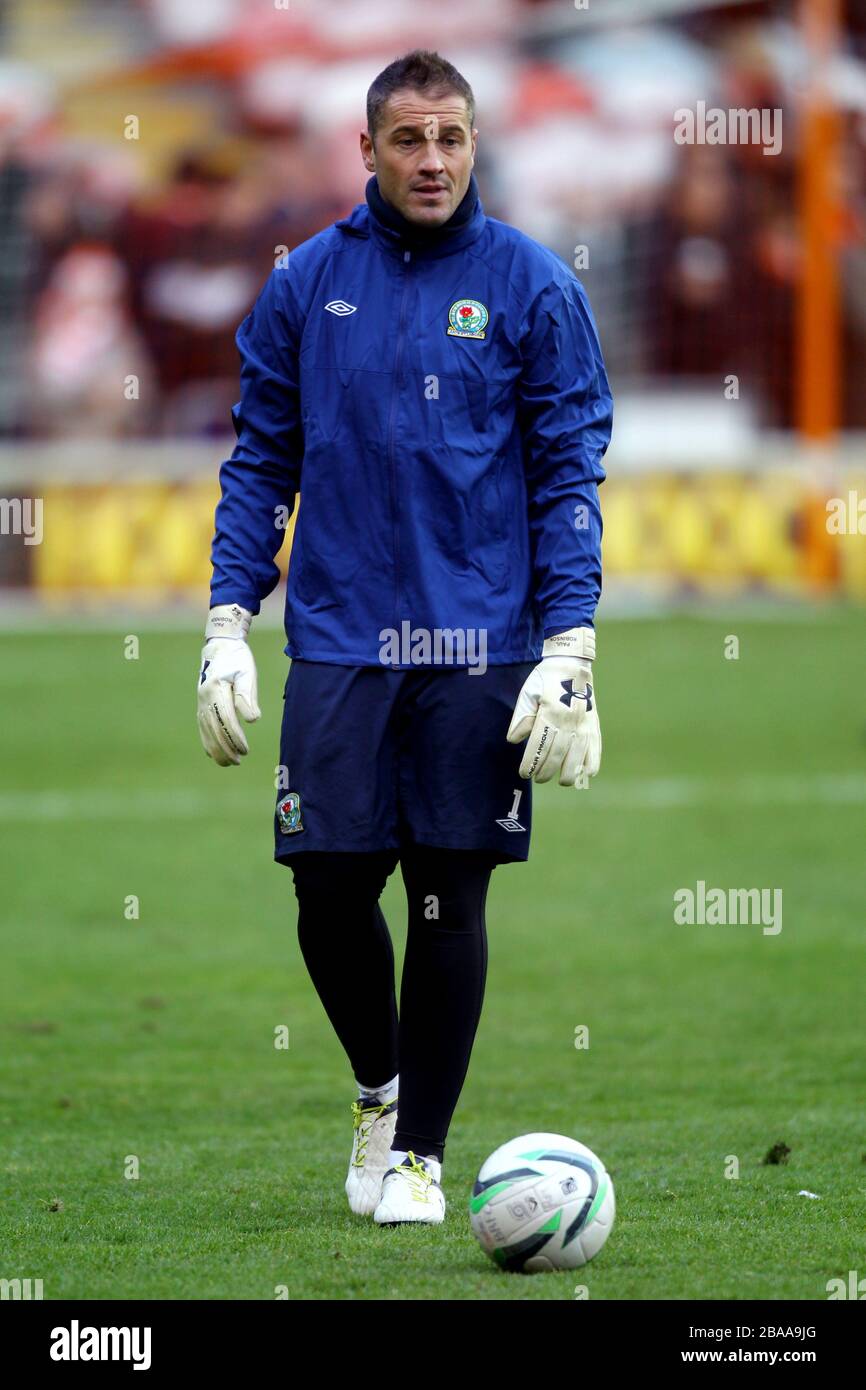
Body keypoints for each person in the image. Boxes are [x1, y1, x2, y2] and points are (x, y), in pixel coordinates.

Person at [197, 51, 612, 1226]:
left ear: (475, 144)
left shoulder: (532, 286)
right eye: (408, 140)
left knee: (447, 894)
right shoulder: (305, 283)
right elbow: (260, 457)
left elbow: (565, 472)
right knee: (326, 886)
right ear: (366, 150)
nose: (432, 160)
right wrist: (230, 617)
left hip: (479, 641)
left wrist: (569, 641)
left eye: (452, 138)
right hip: (336, 638)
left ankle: (420, 1155)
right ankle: (376, 1092)